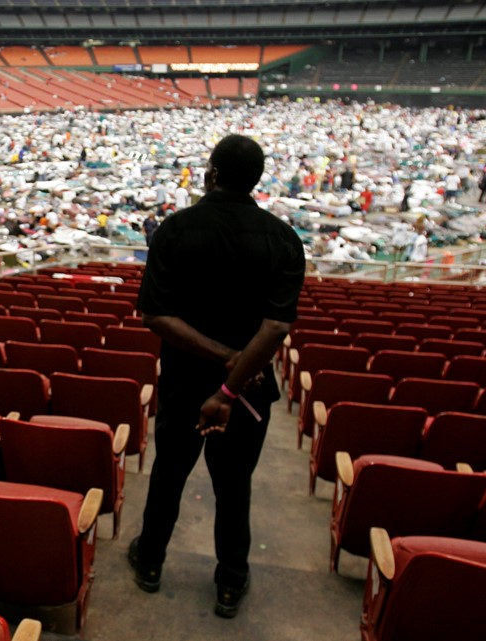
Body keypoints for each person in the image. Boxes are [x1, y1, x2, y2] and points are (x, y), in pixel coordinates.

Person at [126, 134, 305, 619]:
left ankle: (150, 561)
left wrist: (222, 358)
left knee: (168, 476)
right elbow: (276, 327)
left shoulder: (175, 230)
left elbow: (156, 316)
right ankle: (229, 583)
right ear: (257, 180)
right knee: (234, 486)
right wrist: (235, 372)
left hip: (185, 383)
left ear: (211, 174)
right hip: (246, 392)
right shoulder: (284, 239)